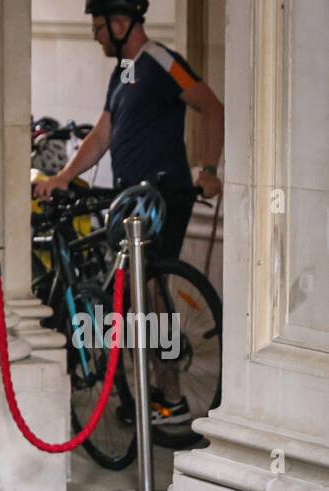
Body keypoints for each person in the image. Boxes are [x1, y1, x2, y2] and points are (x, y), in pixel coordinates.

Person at [33, 0, 223, 423]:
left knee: (150, 292)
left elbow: (211, 105)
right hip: (128, 197)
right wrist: (64, 175)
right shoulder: (123, 72)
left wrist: (208, 168)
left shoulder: (160, 60)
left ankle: (171, 396)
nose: (96, 35)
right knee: (136, 296)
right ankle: (151, 390)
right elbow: (103, 133)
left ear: (122, 24)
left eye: (100, 27)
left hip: (162, 195)